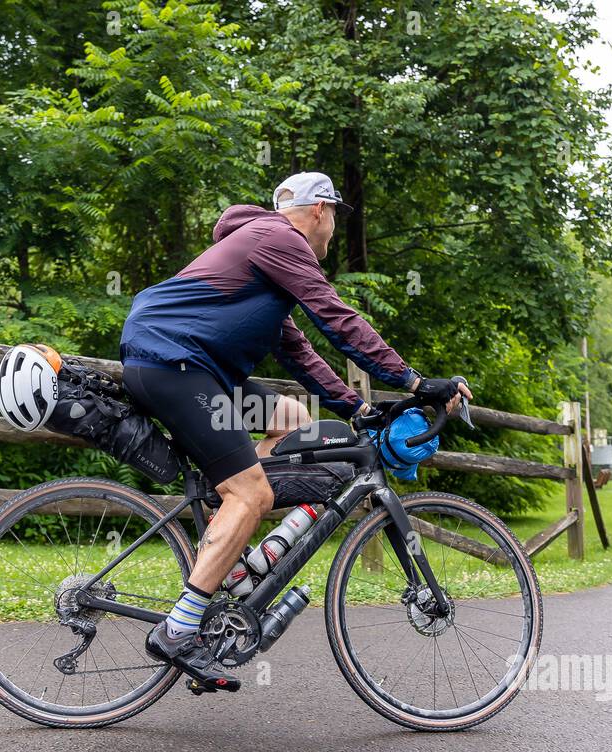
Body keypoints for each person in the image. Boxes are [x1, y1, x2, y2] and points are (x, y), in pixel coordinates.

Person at [119, 171, 472, 687]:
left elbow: (299, 352)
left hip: (184, 366)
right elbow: (338, 320)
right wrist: (415, 381)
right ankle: (178, 630)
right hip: (173, 364)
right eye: (334, 217)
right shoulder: (279, 238)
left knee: (294, 420)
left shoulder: (260, 252)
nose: (333, 230)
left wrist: (354, 408)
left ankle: (233, 557)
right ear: (320, 211)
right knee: (252, 492)